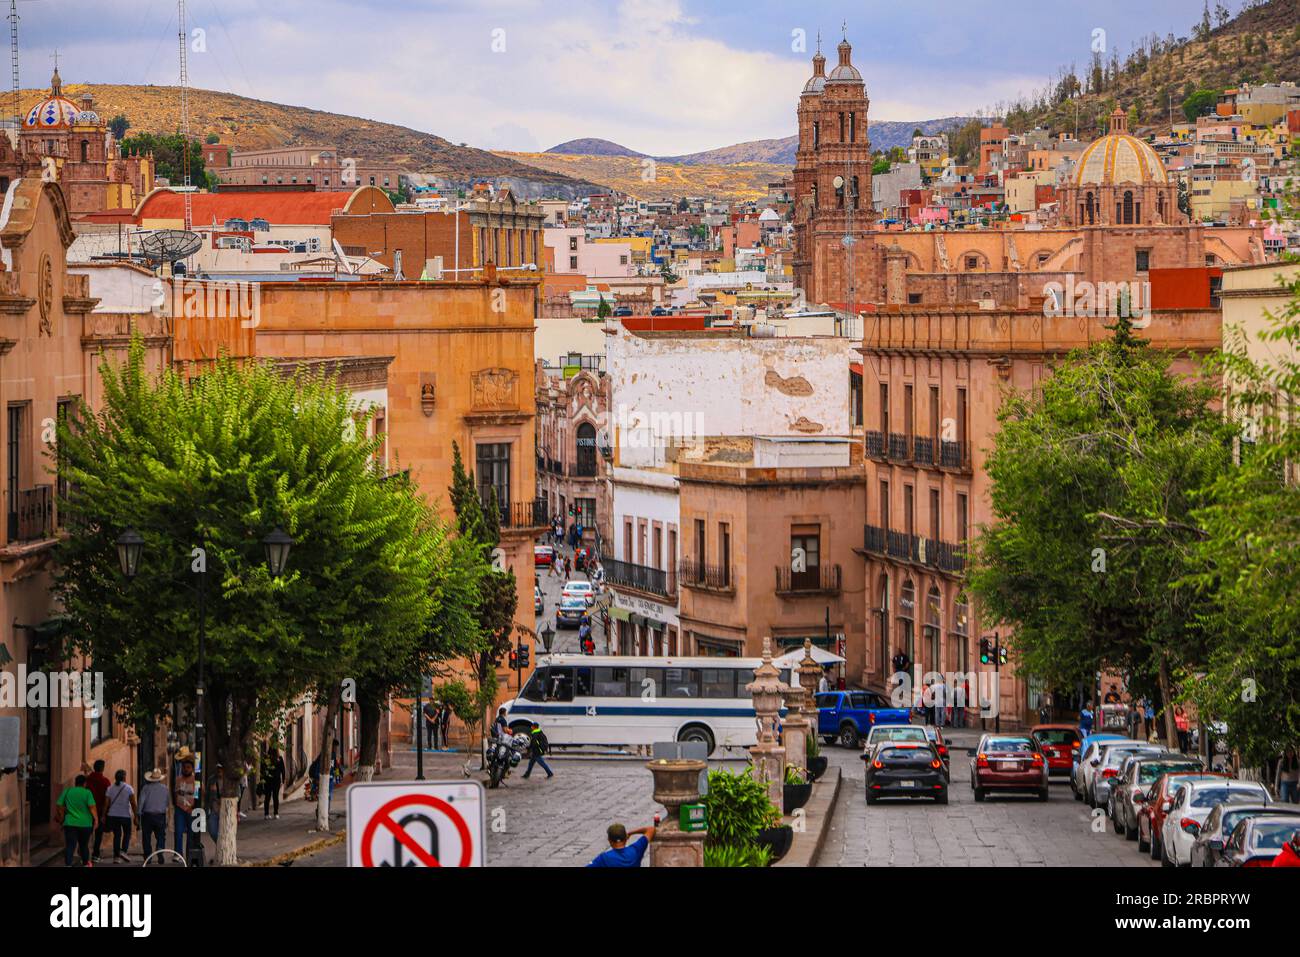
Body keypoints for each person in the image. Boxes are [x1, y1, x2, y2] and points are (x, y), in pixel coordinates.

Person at [56, 774, 98, 867]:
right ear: (85, 783)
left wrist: (62, 815)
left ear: (75, 783)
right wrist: (96, 819)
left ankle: (68, 865)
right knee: (83, 845)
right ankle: (85, 864)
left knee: (70, 845)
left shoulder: (67, 791)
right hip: (85, 824)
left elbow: (59, 804)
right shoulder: (87, 792)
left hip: (70, 823)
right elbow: (92, 807)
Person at [104, 768, 138, 863]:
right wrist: (136, 816)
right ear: (124, 778)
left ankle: (116, 857)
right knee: (127, 833)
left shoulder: (110, 788)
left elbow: (106, 804)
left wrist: (103, 815)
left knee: (117, 835)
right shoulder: (129, 788)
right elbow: (133, 803)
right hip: (125, 815)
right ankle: (123, 851)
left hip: (113, 815)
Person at [587, 822, 655, 867]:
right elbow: (651, 829)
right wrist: (631, 833)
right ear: (626, 838)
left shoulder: (604, 858)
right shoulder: (636, 849)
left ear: (610, 841)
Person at [138, 768, 169, 860]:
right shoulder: (165, 789)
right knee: (161, 836)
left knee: (146, 837)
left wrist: (138, 813)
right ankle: (160, 849)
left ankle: (148, 856)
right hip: (160, 815)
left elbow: (141, 802)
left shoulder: (145, 788)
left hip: (147, 815)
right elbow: (167, 803)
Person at [85, 759, 111, 863]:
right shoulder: (105, 781)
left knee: (87, 833)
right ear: (103, 768)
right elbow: (107, 798)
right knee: (98, 834)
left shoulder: (88, 780)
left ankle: (84, 853)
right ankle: (95, 854)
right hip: (99, 811)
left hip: (87, 810)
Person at [172, 752, 197, 856]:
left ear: (192, 768)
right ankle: (178, 854)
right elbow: (175, 793)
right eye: (184, 767)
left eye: (188, 767)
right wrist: (176, 805)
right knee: (178, 832)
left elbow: (199, 795)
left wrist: (193, 807)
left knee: (191, 834)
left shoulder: (196, 780)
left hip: (191, 810)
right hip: (179, 810)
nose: (186, 769)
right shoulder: (178, 779)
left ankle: (189, 854)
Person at [262, 746, 285, 819]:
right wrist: (283, 780)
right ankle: (276, 813)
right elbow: (283, 770)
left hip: (268, 780)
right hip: (276, 780)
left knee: (267, 797)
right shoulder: (279, 758)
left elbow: (263, 769)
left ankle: (266, 814)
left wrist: (262, 779)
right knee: (275, 797)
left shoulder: (267, 758)